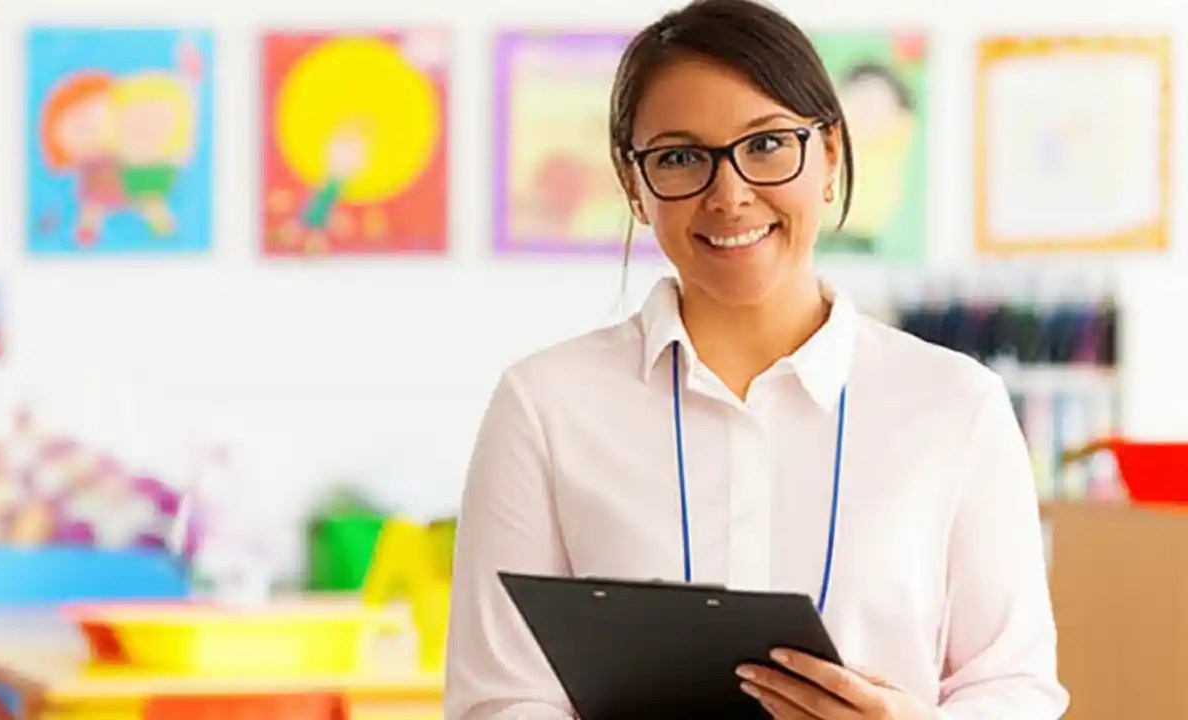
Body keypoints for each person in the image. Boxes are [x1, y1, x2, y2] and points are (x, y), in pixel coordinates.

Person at [444, 0, 1069, 718]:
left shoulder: (956, 405)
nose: (730, 195)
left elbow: (1013, 684)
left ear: (830, 154)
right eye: (680, 158)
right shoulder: (545, 404)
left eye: (767, 145)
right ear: (634, 186)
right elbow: (497, 698)